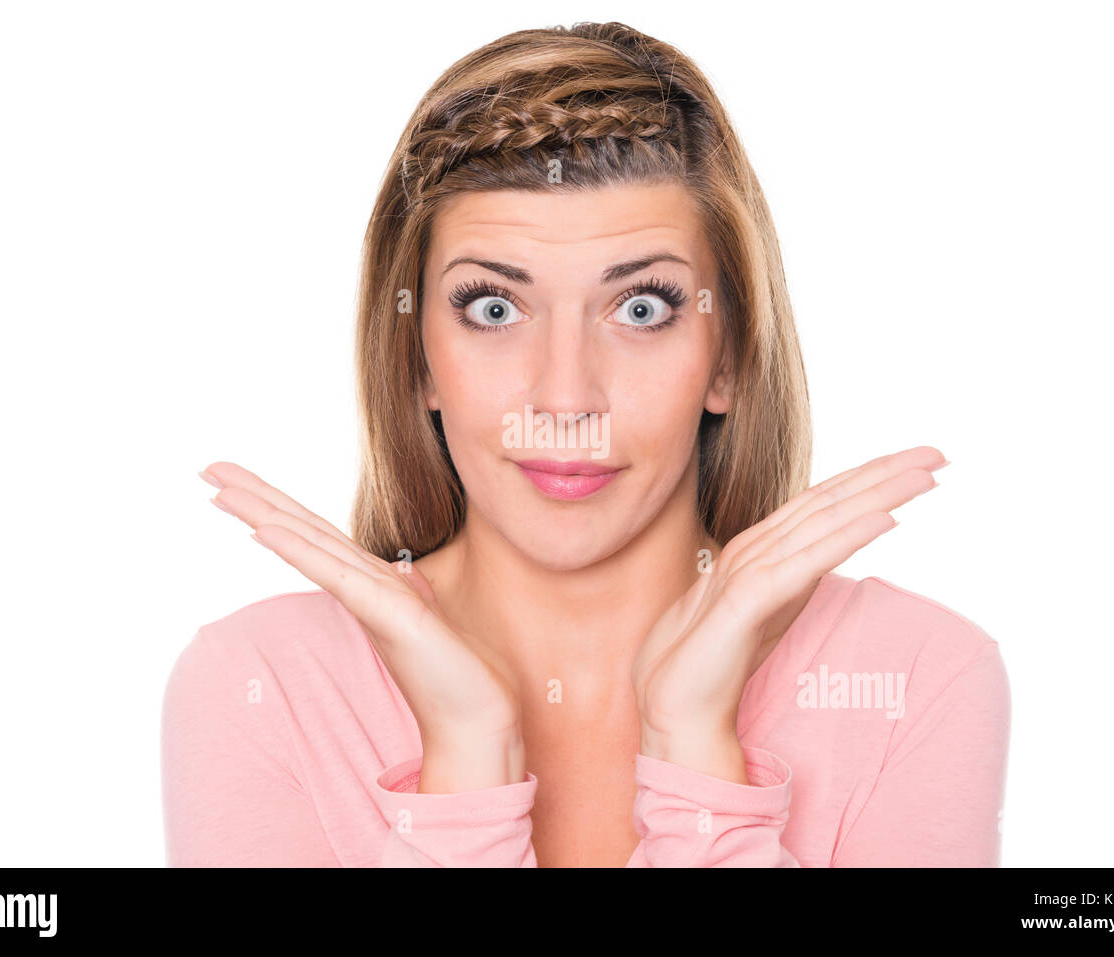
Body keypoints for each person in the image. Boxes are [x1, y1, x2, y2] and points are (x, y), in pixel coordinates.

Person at [161, 21, 1009, 867]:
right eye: (493, 308)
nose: (565, 400)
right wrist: (465, 763)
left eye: (641, 308)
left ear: (729, 357)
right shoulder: (259, 688)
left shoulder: (914, 679)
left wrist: (695, 750)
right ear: (417, 359)